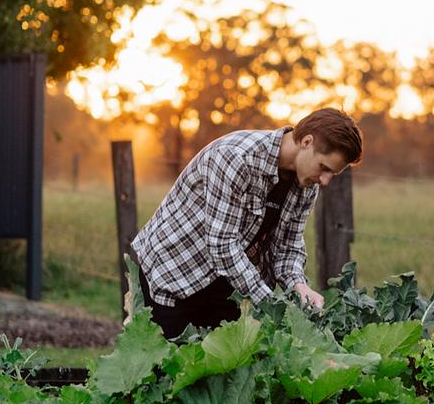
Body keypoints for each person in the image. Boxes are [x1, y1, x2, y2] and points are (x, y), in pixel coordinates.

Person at [131, 108, 363, 339]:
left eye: (332, 174)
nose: (325, 181)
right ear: (306, 142)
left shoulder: (306, 186)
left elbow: (288, 247)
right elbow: (222, 244)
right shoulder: (235, 157)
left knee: (229, 360)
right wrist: (269, 303)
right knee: (172, 360)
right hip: (175, 274)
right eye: (324, 168)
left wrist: (298, 285)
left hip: (229, 282)